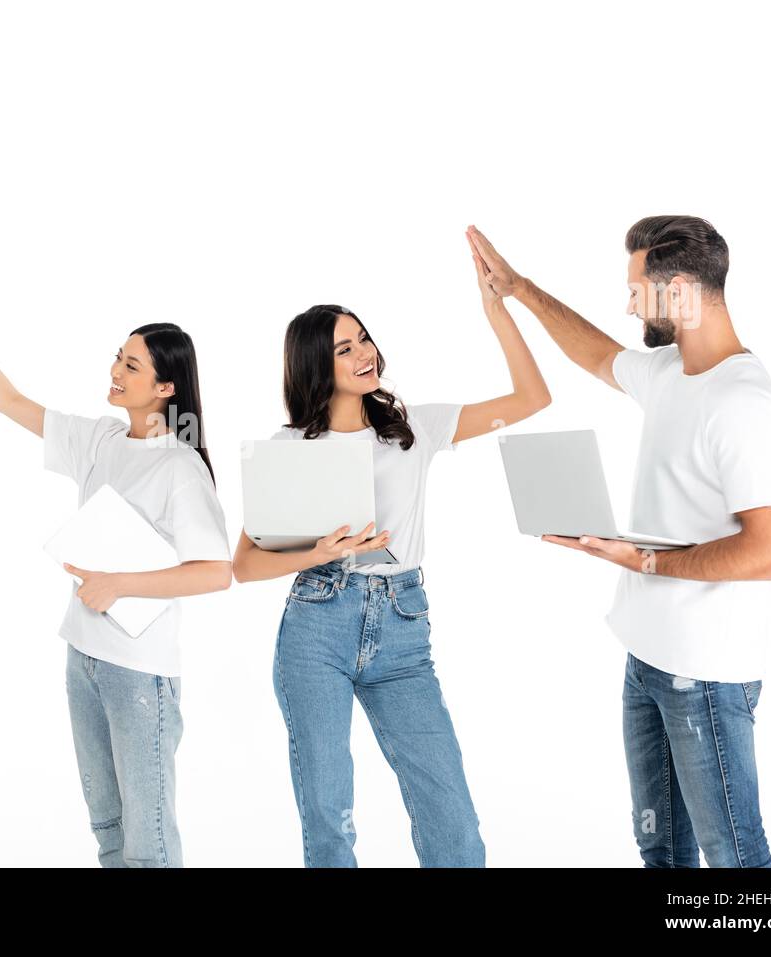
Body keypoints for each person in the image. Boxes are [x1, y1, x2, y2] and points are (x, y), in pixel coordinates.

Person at [467, 217, 771, 867]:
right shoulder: (672, 372)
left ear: (676, 292)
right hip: (646, 657)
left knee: (732, 853)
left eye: (636, 290)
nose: (627, 305)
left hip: (704, 673)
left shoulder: (745, 402)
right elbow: (595, 353)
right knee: (661, 849)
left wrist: (642, 559)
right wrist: (521, 290)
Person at [232, 233, 552, 866]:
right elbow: (243, 566)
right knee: (329, 814)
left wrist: (498, 312)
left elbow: (532, 399)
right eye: (343, 349)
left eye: (364, 339)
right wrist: (319, 551)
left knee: (451, 818)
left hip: (403, 627)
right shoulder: (290, 445)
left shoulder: (415, 427)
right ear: (316, 367)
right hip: (317, 625)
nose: (363, 354)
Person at [0, 263, 232, 867]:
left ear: (166, 388)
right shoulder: (101, 440)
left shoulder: (180, 467)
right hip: (84, 659)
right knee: (109, 831)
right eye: (118, 358)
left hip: (140, 674)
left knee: (147, 844)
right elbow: (9, 402)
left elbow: (214, 570)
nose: (115, 371)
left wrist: (119, 584)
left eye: (132, 366)